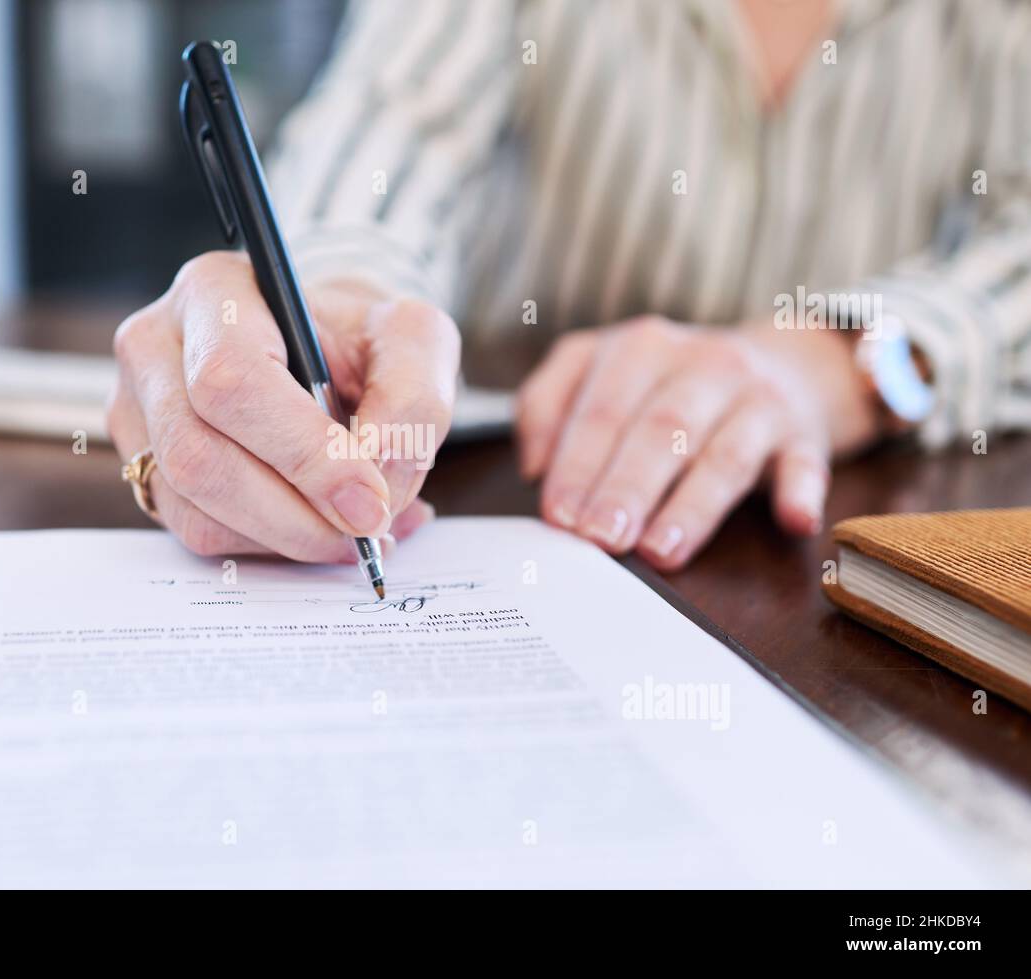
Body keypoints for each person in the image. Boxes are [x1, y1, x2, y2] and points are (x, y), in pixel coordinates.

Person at [108, 0, 1031, 572]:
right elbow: (396, 123)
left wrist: (853, 358)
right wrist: (339, 295)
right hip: (526, 483)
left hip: (865, 504)